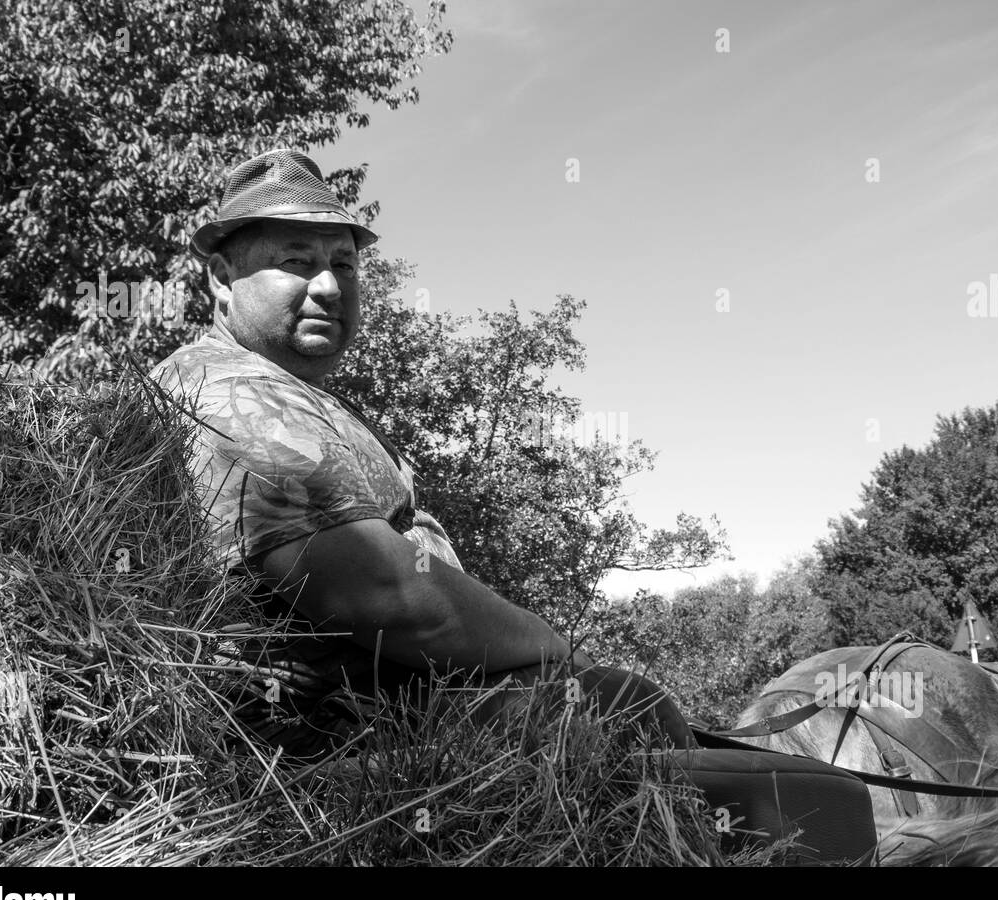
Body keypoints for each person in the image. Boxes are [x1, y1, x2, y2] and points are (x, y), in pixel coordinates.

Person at [150, 149, 696, 760]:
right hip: (342, 759)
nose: (329, 286)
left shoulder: (289, 396)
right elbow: (394, 601)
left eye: (343, 264)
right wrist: (555, 646)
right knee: (633, 711)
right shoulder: (225, 394)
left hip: (403, 717)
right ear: (222, 279)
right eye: (296, 262)